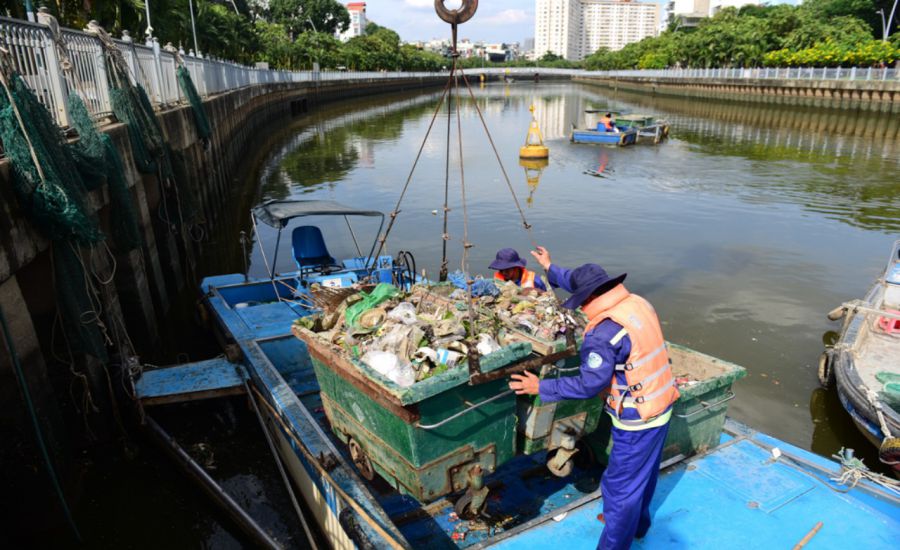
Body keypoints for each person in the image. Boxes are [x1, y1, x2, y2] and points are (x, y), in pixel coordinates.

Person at [509, 246, 679, 550]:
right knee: (646, 473)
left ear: (588, 299)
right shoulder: (636, 303)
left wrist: (541, 388)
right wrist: (549, 267)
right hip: (663, 401)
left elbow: (589, 385)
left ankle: (615, 539)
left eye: (580, 303)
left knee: (619, 489)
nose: (581, 310)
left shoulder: (604, 334)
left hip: (637, 419)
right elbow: (575, 279)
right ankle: (637, 526)